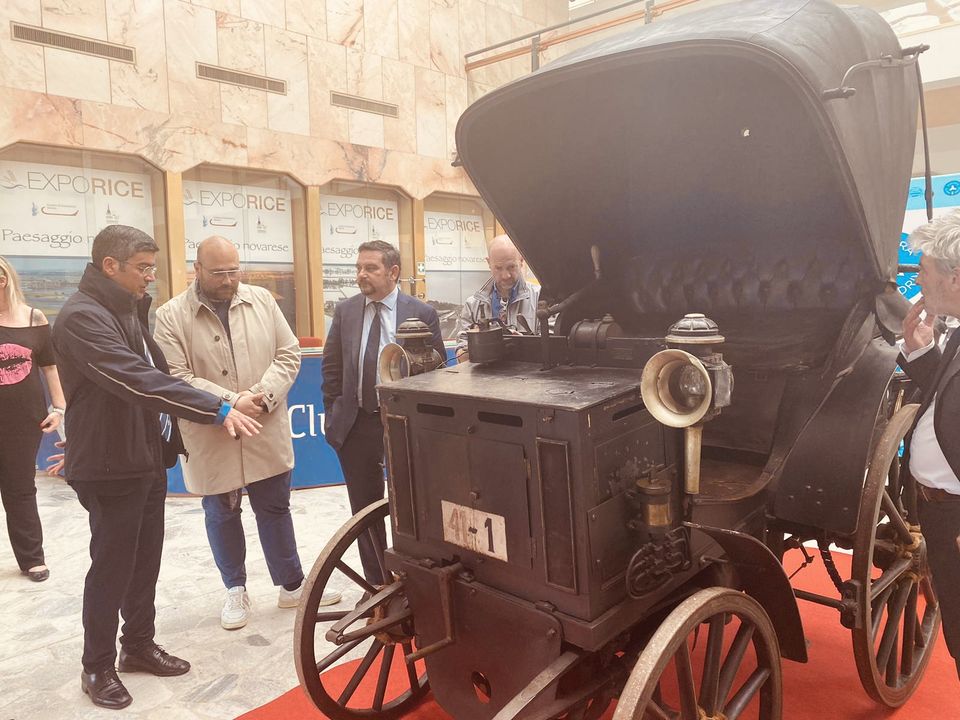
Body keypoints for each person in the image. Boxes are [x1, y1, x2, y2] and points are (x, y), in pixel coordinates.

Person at [52, 225, 261, 710]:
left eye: (152, 267)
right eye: (143, 268)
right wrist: (217, 408)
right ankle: (96, 665)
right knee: (112, 566)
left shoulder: (124, 308)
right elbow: (136, 380)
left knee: (144, 559)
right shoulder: (82, 318)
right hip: (109, 466)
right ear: (111, 266)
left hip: (142, 457)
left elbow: (156, 377)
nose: (151, 277)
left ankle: (138, 644)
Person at [154, 236, 339, 631]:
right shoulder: (171, 316)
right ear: (197, 270)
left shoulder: (262, 300)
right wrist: (228, 403)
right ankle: (234, 588)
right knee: (221, 512)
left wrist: (260, 395)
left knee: (274, 507)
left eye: (234, 270)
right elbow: (175, 376)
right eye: (218, 272)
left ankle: (292, 585)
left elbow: (288, 354)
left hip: (263, 422)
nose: (228, 280)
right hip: (211, 429)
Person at [322, 240, 444, 584]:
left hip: (407, 427)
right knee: (364, 512)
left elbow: (437, 374)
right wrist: (334, 418)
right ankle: (377, 584)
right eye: (358, 267)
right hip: (357, 424)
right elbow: (331, 369)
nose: (362, 274)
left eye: (370, 268)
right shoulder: (345, 312)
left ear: (393, 272)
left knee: (413, 504)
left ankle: (417, 580)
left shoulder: (422, 313)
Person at [899, 208, 960, 680]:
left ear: (954, 278)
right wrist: (920, 349)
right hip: (940, 515)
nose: (916, 276)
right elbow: (947, 403)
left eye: (924, 270)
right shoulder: (956, 334)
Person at [0, 256, 66, 583]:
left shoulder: (33, 318)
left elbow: (49, 366)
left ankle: (32, 558)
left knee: (20, 488)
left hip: (23, 421)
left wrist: (59, 408)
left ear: (5, 279)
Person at [454, 234, 540, 360]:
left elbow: (553, 349)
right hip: (485, 378)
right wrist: (478, 342)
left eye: (511, 267)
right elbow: (461, 356)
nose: (505, 275)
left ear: (521, 261)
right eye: (498, 268)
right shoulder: (472, 305)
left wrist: (523, 344)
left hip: (528, 378)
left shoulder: (541, 299)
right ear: (489, 263)